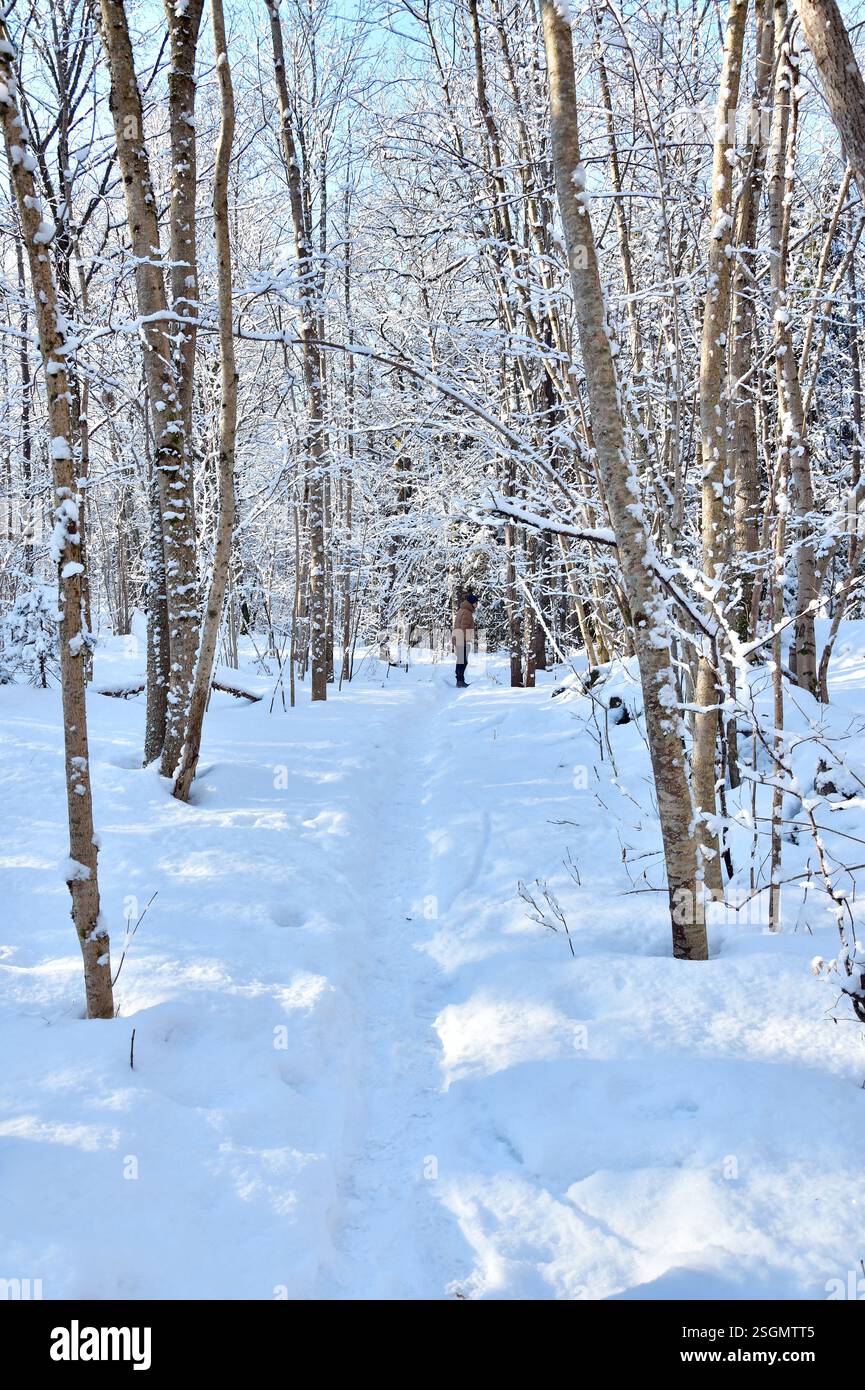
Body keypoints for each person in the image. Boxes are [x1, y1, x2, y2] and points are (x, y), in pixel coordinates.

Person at [453, 593, 478, 687]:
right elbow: (464, 627)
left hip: (458, 637)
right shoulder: (467, 612)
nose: (476, 605)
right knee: (463, 661)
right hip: (461, 639)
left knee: (461, 660)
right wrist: (466, 640)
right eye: (476, 603)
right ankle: (460, 680)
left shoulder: (462, 610)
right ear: (471, 603)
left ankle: (459, 680)